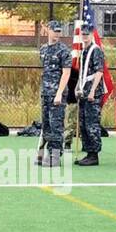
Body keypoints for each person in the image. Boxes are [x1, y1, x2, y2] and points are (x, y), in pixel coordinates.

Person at [38, 23, 72, 167]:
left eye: (59, 32)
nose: (57, 34)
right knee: (46, 125)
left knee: (56, 125)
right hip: (46, 93)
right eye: (54, 31)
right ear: (48, 31)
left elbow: (66, 73)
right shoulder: (44, 49)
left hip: (57, 95)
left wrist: (59, 93)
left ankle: (55, 157)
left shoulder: (63, 50)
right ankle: (45, 154)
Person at [73, 32, 106, 167]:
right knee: (84, 124)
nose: (85, 36)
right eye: (83, 34)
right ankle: (88, 152)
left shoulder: (95, 50)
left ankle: (94, 155)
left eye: (87, 34)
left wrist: (92, 90)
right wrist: (77, 87)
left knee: (92, 124)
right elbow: (82, 74)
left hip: (93, 93)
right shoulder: (84, 51)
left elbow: (99, 71)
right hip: (83, 92)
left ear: (92, 35)